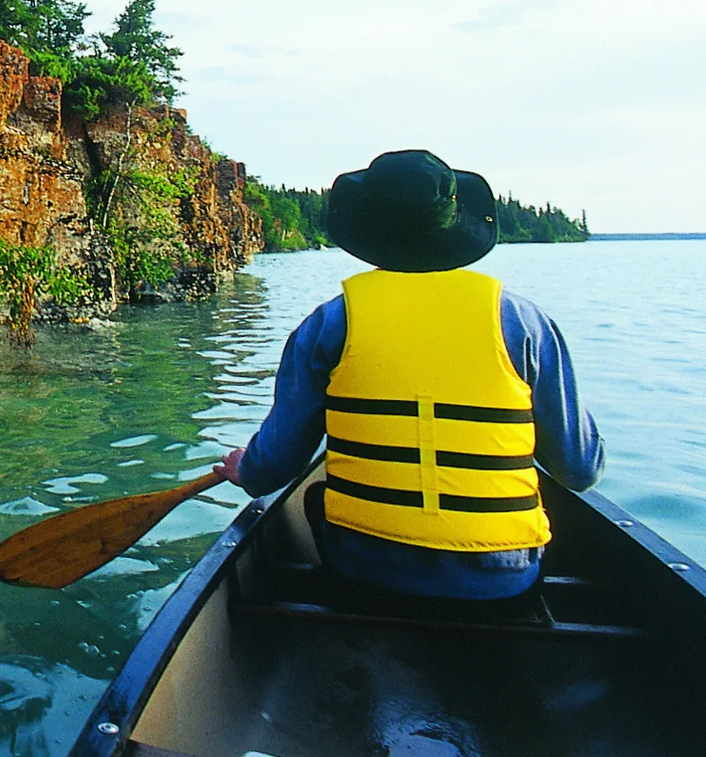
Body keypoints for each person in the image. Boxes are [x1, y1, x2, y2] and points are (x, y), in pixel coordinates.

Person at [213, 148, 604, 600]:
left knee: (313, 500)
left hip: (363, 571)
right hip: (503, 582)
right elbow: (578, 471)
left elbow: (277, 465)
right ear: (455, 223)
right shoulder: (525, 323)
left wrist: (250, 470)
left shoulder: (327, 325)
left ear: (368, 229)